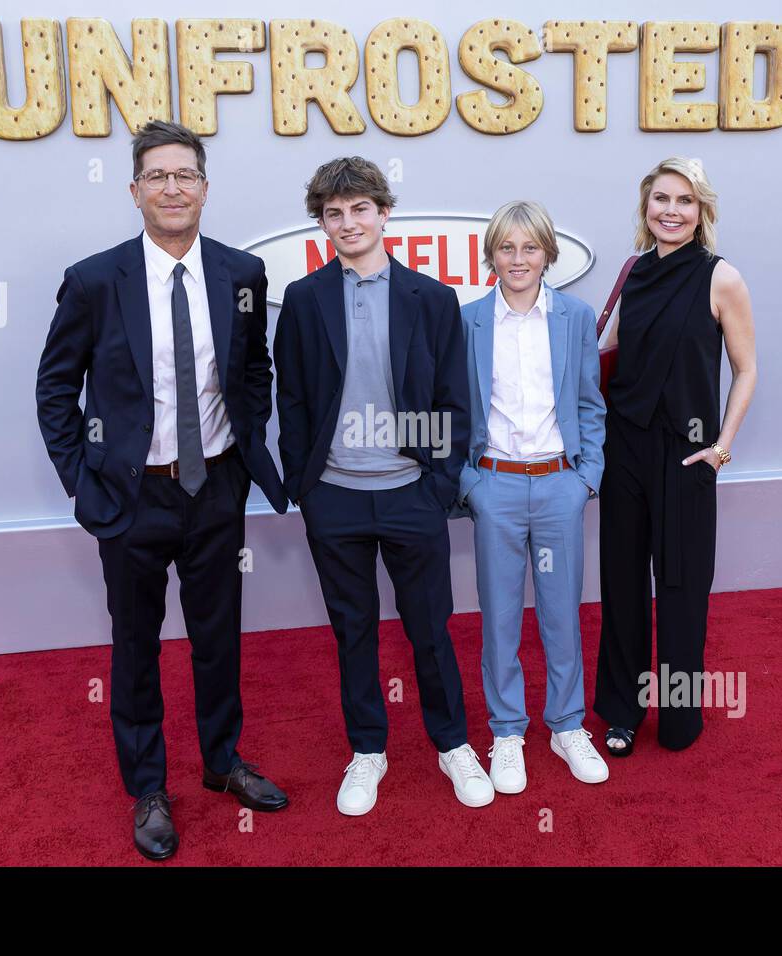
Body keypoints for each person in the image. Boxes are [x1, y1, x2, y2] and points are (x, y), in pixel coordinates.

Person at [36, 120, 290, 860]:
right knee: (136, 646)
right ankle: (148, 786)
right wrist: (83, 483)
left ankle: (222, 762)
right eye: (158, 176)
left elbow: (251, 371)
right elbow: (56, 389)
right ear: (135, 191)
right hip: (130, 497)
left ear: (205, 188)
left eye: (185, 175)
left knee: (219, 639)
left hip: (215, 488)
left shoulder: (241, 274)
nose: (173, 187)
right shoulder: (94, 281)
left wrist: (241, 451)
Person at [274, 156, 493, 816]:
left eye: (359, 209)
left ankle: (453, 744)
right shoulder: (305, 300)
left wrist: (436, 482)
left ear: (383, 212)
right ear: (322, 222)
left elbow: (455, 400)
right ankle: (367, 749)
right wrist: (307, 489)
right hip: (333, 495)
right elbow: (293, 400)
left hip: (410, 492)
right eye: (333, 214)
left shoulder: (431, 299)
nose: (348, 223)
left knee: (430, 627)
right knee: (354, 630)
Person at [595, 157, 757, 757]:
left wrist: (721, 448)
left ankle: (681, 718)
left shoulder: (722, 278)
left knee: (684, 588)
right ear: (645, 208)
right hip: (625, 450)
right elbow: (603, 354)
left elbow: (746, 370)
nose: (671, 210)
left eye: (685, 201)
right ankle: (621, 712)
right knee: (622, 584)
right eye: (661, 198)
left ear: (702, 212)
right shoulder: (632, 273)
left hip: (689, 455)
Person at [455, 200, 607, 792]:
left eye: (530, 248)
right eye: (506, 248)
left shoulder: (574, 317)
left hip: (558, 486)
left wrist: (584, 479)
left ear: (549, 254)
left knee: (561, 613)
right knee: (498, 617)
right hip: (493, 485)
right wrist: (472, 486)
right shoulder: (467, 321)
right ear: (491, 254)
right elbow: (452, 407)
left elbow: (591, 405)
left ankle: (568, 725)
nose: (518, 259)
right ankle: (508, 732)